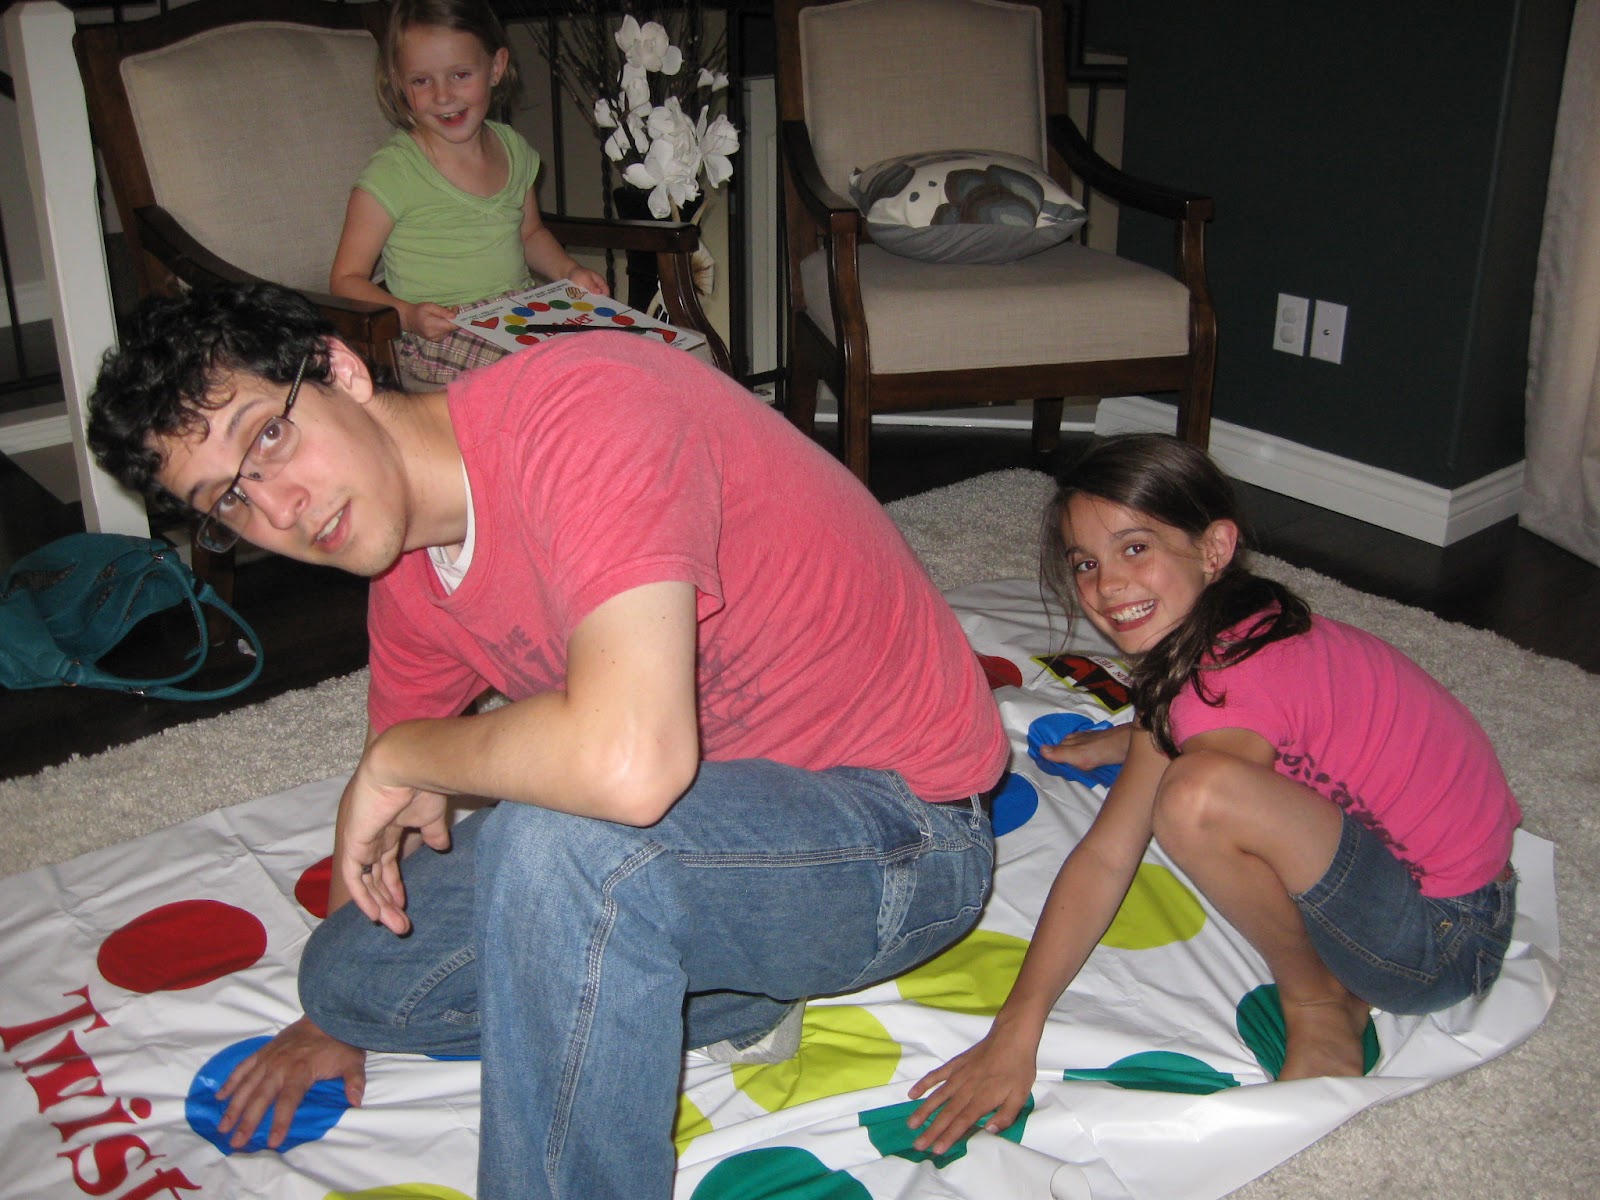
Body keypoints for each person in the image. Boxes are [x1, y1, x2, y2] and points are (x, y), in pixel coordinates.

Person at [85, 281, 1007, 1199]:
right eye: (230, 502)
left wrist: (402, 753)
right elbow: (390, 824)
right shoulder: (408, 573)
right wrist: (336, 1013)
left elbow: (626, 768)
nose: (278, 511)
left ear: (340, 370)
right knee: (344, 977)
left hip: (903, 834)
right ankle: (729, 992)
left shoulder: (589, 408)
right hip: (716, 851)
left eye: (269, 437)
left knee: (562, 843)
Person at [905, 433, 1522, 1155]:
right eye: (1086, 563)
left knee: (1195, 798)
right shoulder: (1237, 629)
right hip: (1452, 887)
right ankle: (1149, 746)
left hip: (1444, 943)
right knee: (1188, 774)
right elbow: (1108, 853)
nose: (1106, 586)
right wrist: (1143, 737)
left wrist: (1016, 1034)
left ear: (1214, 547)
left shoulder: (1225, 688)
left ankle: (1320, 1002)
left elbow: (1146, 829)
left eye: (1137, 549)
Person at [329, 0, 610, 386]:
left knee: (618, 352)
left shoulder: (514, 150)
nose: (443, 96)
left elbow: (529, 234)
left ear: (495, 68)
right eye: (421, 81)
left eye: (460, 74)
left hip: (521, 311)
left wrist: (568, 271)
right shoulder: (394, 172)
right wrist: (407, 314)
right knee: (552, 376)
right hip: (441, 329)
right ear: (399, 81)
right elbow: (346, 278)